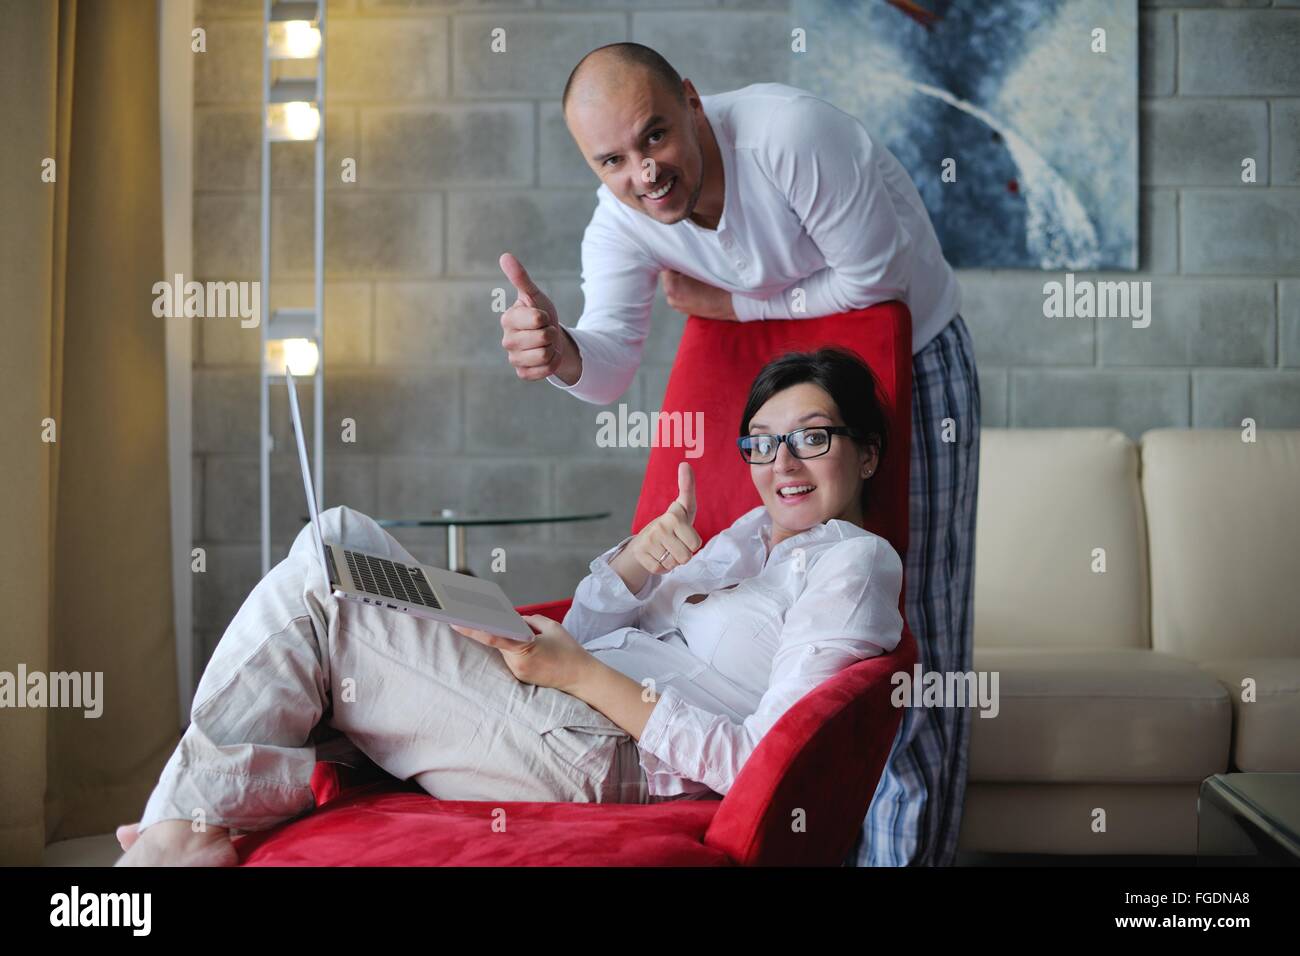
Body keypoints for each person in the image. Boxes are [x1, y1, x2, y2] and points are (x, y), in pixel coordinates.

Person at [115, 348, 904, 866]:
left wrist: (586, 677)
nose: (782, 464)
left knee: (325, 572)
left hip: (596, 750)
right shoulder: (745, 536)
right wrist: (632, 565)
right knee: (343, 538)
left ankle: (175, 835)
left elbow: (763, 760)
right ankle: (191, 818)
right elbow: (589, 630)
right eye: (762, 443)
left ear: (867, 453)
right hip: (552, 699)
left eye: (813, 437)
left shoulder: (853, 565)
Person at [496, 42, 979, 866]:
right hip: (769, 373)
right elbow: (609, 359)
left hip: (907, 347)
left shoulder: (791, 138)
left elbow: (873, 281)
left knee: (913, 635)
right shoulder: (620, 220)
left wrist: (729, 299)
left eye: (654, 138)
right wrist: (561, 351)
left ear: (691, 101)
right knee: (743, 579)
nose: (642, 173)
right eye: (612, 160)